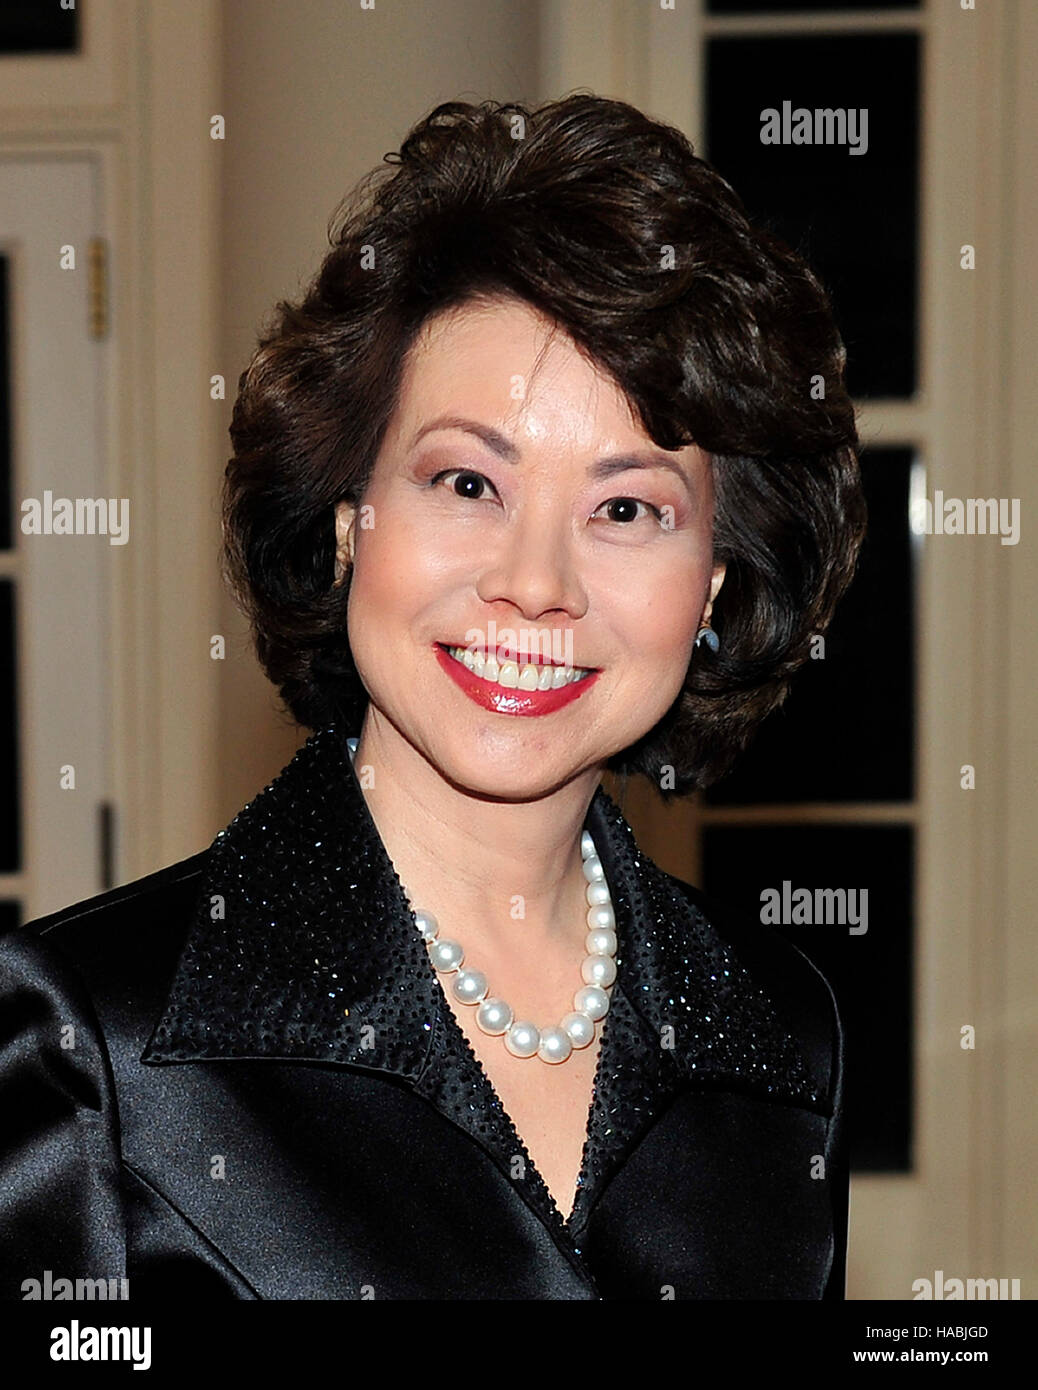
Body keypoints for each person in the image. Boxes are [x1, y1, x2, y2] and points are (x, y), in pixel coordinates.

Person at [0, 94, 865, 1300]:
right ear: (352, 515)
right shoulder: (91, 1037)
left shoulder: (783, 1037)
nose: (533, 584)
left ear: (715, 575)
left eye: (627, 509)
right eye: (467, 481)